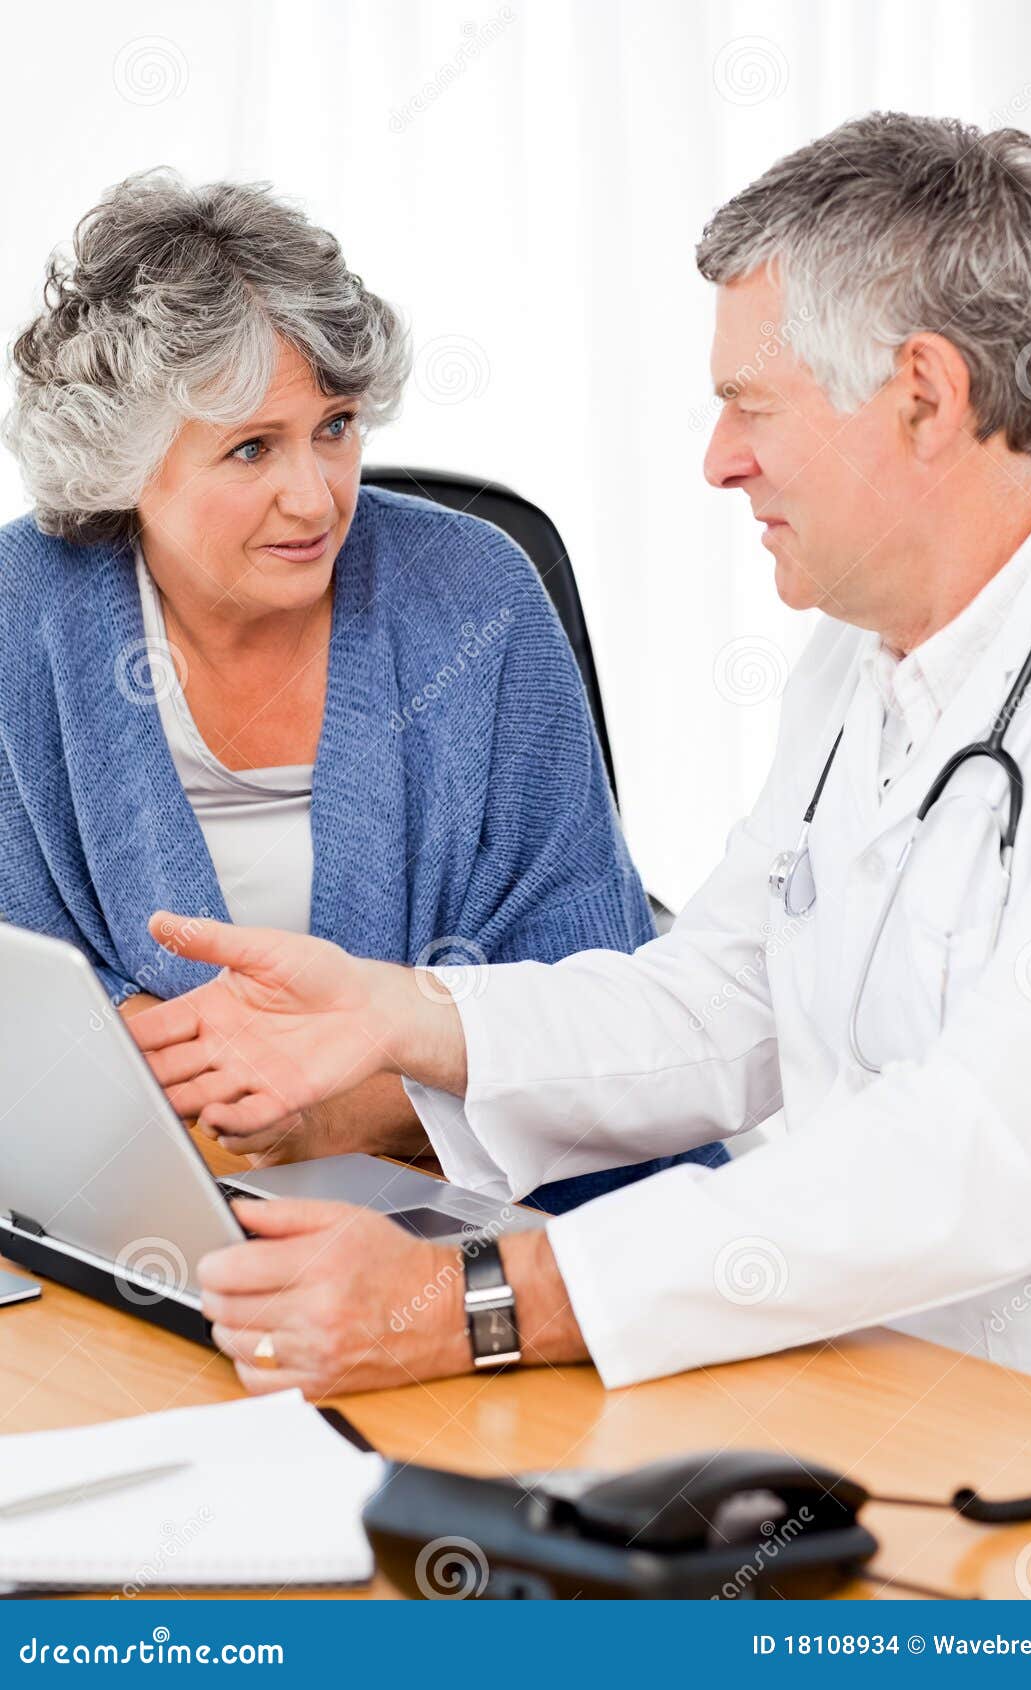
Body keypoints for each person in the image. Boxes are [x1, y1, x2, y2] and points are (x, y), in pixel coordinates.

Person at [131, 114, 1031, 1427]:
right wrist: (402, 1014)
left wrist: (468, 1302)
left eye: (749, 405)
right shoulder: (857, 658)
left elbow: (985, 1152)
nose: (716, 460)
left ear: (922, 393)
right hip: (854, 1391)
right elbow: (718, 1004)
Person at [0, 167, 725, 1214]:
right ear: (121, 466)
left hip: (485, 1204)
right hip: (116, 1203)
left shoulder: (475, 594)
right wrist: (153, 1096)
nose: (315, 497)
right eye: (251, 448)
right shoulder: (26, 609)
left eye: (335, 426)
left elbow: (598, 1001)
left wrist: (343, 1105)